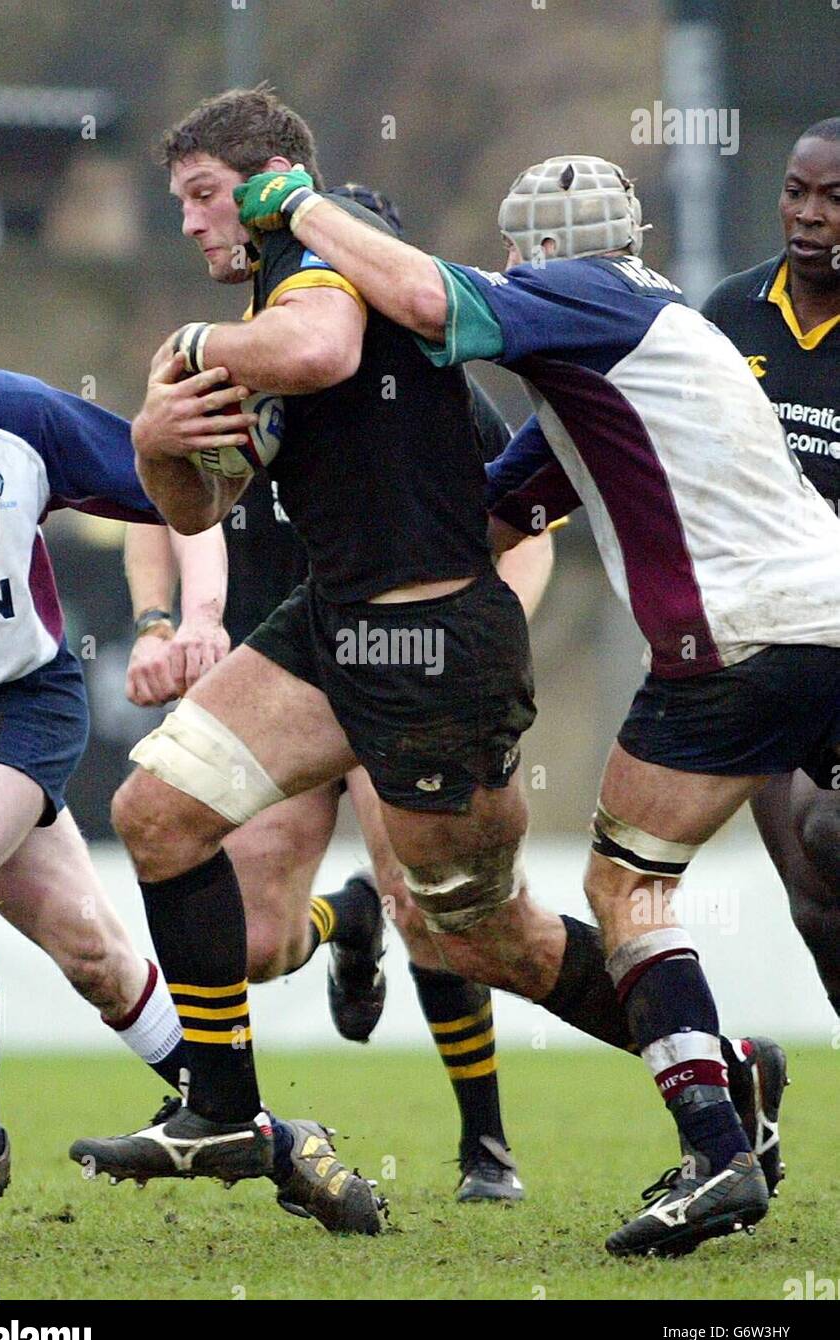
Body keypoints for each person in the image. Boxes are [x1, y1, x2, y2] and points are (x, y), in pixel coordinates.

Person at [234, 150, 840, 1255]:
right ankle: (729, 1118)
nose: (512, 268)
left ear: (552, 252)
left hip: (744, 636)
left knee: (625, 886)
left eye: (522, 251)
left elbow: (425, 296)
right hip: (825, 620)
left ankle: (718, 1151)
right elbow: (495, 516)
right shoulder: (632, 350)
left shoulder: (586, 297)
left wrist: (302, 212)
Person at [119, 172, 537, 1201]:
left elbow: (527, 524)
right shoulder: (251, 357)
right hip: (292, 663)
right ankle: (335, 926)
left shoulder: (430, 378)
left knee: (428, 904)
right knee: (257, 942)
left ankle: (485, 1145)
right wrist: (164, 620)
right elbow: (156, 502)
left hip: (407, 662)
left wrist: (485, 637)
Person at [0, 347, 381, 1237]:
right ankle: (274, 1138)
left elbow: (177, 490)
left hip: (12, 707)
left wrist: (192, 618)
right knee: (98, 961)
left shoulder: (17, 415)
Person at [702, 117, 840, 1017]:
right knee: (814, 904)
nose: (811, 215)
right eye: (797, 191)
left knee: (830, 831)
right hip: (759, 635)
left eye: (835, 199)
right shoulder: (728, 316)